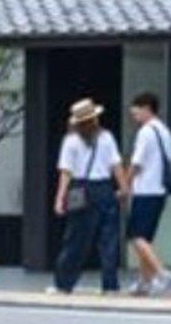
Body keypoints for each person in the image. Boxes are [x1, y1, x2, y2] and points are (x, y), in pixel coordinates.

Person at [50, 98, 124, 294]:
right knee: (108, 238)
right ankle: (110, 285)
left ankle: (64, 283)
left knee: (75, 238)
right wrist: (124, 188)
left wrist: (60, 198)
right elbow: (116, 165)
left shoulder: (70, 141)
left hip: (78, 188)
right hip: (104, 188)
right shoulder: (107, 138)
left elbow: (66, 172)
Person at [124, 92, 171, 296]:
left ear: (146, 108)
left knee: (136, 235)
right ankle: (144, 282)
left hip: (145, 189)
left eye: (136, 112)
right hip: (160, 190)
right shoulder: (165, 131)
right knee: (145, 238)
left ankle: (160, 273)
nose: (135, 116)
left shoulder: (146, 132)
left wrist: (125, 185)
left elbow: (137, 163)